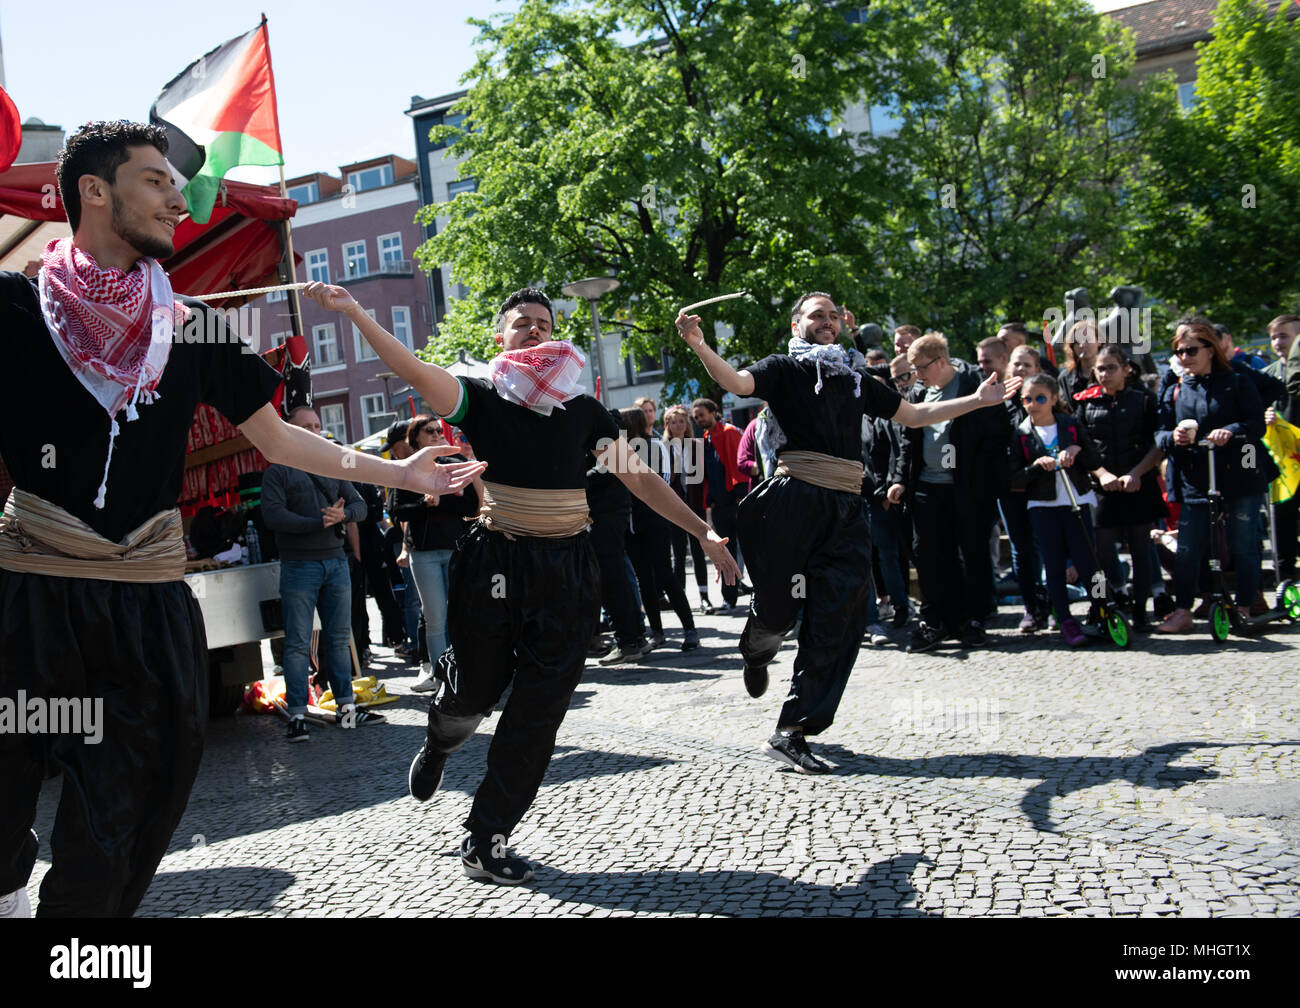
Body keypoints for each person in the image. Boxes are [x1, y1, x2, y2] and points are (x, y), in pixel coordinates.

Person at [0, 122, 481, 918]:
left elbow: (279, 437)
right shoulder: (16, 307)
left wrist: (398, 470)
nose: (176, 198)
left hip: (148, 601)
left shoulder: (192, 325)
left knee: (130, 808)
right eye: (154, 180)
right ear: (94, 190)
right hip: (31, 594)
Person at [302, 281, 738, 884]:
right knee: (475, 692)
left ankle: (487, 837)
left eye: (544, 321)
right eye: (521, 322)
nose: (534, 329)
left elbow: (638, 479)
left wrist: (702, 532)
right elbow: (409, 365)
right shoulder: (478, 398)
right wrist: (352, 312)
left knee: (539, 710)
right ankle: (442, 736)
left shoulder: (583, 410)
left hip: (568, 570)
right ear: (499, 336)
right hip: (497, 560)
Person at [676, 293, 1016, 774]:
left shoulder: (856, 378)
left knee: (840, 616)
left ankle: (792, 729)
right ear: (797, 324)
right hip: (793, 500)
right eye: (817, 315)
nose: (828, 322)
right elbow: (737, 382)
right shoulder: (785, 369)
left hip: (846, 506)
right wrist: (698, 344)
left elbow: (914, 416)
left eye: (834, 316)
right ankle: (758, 646)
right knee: (777, 610)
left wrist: (977, 400)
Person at [262, 408, 384, 740]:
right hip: (299, 566)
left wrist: (341, 517)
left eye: (317, 425)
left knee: (338, 638)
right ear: (291, 430)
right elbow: (272, 516)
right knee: (299, 643)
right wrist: (320, 522)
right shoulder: (278, 471)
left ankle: (346, 707)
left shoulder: (331, 464)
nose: (314, 431)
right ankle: (297, 715)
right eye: (306, 426)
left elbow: (361, 507)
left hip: (335, 563)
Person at [888, 333, 1014, 651]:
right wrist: (901, 478)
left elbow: (998, 436)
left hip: (968, 488)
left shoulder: (976, 384)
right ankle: (935, 619)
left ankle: (973, 618)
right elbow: (908, 440)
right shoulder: (919, 390)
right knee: (928, 553)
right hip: (928, 487)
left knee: (972, 552)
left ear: (942, 361)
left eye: (922, 367)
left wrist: (980, 476)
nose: (917, 374)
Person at [1155, 317, 1274, 632]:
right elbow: (1158, 432)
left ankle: (1245, 607)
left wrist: (1230, 431)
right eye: (1179, 352)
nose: (1184, 357)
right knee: (1189, 547)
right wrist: (1174, 438)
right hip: (1194, 476)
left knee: (1244, 545)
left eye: (1191, 350)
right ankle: (1183, 611)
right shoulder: (1175, 385)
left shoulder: (1237, 381)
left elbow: (1255, 424)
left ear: (1211, 349)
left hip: (1239, 473)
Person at [1074, 345, 1167, 630]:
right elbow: (1082, 445)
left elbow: (1158, 443)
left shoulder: (1144, 400)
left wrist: (1137, 473)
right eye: (1099, 369)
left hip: (1138, 485)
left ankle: (1141, 612)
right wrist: (1101, 474)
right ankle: (1107, 606)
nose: (1104, 374)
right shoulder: (1085, 402)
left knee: (1141, 551)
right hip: (1102, 488)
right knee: (1100, 553)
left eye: (1110, 367)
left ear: (1126, 369)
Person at [1008, 375, 1104, 647]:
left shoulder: (1070, 425)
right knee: (1053, 565)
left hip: (1077, 502)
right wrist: (1036, 466)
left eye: (1039, 398)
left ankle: (1101, 609)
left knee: (1090, 564)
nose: (1032, 404)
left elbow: (1094, 459)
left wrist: (1076, 449)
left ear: (1053, 398)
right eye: (1027, 399)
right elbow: (1014, 478)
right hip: (1043, 507)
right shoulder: (1021, 433)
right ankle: (1064, 617)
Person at [391, 415, 483, 692]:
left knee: (461, 613)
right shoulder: (407, 469)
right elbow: (397, 511)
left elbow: (471, 507)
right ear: (415, 437)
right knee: (434, 616)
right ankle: (442, 676)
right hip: (425, 553)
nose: (434, 434)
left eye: (437, 430)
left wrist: (445, 499)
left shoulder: (456, 466)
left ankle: (466, 673)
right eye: (428, 430)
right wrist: (424, 503)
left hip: (456, 549)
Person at [620, 407, 700, 651]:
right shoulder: (619, 451)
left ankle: (690, 629)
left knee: (664, 575)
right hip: (631, 524)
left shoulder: (653, 446)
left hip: (654, 519)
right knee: (644, 579)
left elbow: (660, 482)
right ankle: (657, 631)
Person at [692, 397, 748, 612]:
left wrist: (739, 494)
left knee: (749, 549)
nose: (698, 419)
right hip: (721, 504)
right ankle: (729, 597)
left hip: (735, 500)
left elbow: (737, 464)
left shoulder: (729, 432)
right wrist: (711, 500)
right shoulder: (706, 437)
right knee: (726, 551)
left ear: (714, 411)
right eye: (696, 417)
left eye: (701, 415)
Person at [663, 404, 714, 612]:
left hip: (695, 506)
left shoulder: (695, 445)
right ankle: (680, 598)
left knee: (699, 551)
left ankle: (704, 596)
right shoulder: (663, 447)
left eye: (681, 421)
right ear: (668, 425)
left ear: (687, 424)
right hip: (675, 509)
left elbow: (704, 478)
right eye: (673, 422)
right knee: (679, 554)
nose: (677, 425)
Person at [1265, 315, 1300, 585]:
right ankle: (1285, 583)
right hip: (1282, 465)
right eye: (1274, 337)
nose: (1278, 342)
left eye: (1284, 336)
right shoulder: (1269, 374)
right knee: (1282, 524)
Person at [1058, 318, 1101, 406]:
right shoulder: (1065, 377)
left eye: (1087, 340)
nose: (1082, 345)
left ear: (1099, 341)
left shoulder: (1112, 371)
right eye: (1077, 342)